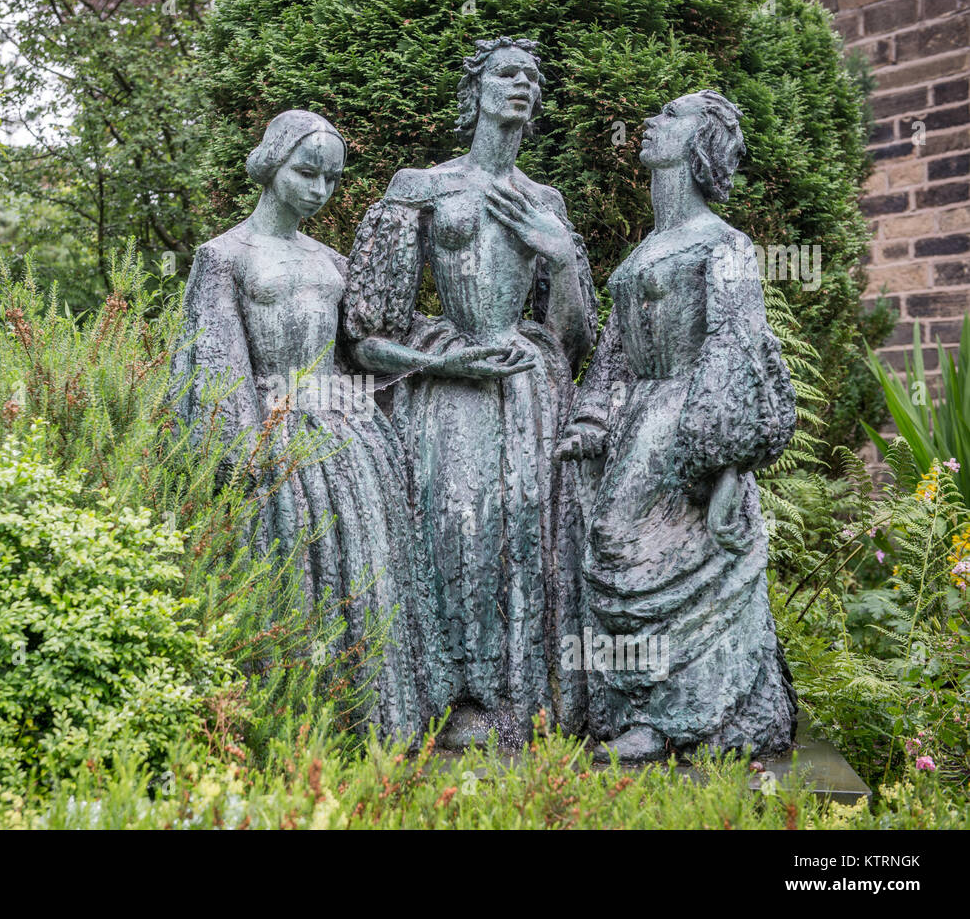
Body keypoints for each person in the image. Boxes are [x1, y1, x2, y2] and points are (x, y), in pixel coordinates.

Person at [342, 39, 597, 746]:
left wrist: (562, 254)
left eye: (532, 76)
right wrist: (449, 367)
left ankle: (526, 698)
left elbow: (574, 339)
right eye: (506, 73)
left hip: (528, 389)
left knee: (529, 533)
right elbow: (365, 332)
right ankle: (454, 695)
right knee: (454, 528)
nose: (521, 84)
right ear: (477, 90)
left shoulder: (546, 201)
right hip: (448, 388)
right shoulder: (421, 185)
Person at [169, 110, 427, 738]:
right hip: (271, 431)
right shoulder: (222, 256)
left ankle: (371, 720)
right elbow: (213, 358)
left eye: (331, 180)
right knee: (288, 570)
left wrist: (437, 358)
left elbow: (363, 347)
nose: (318, 189)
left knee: (364, 568)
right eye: (306, 172)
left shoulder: (335, 264)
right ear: (272, 164)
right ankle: (288, 719)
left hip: (347, 432)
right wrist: (241, 446)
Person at [557, 91, 798, 761]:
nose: (651, 121)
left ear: (696, 146)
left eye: (669, 115)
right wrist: (591, 418)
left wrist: (726, 465)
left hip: (690, 422)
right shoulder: (648, 248)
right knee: (615, 549)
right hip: (640, 421)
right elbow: (611, 354)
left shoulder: (726, 244)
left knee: (667, 564)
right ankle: (642, 705)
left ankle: (680, 718)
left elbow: (738, 350)